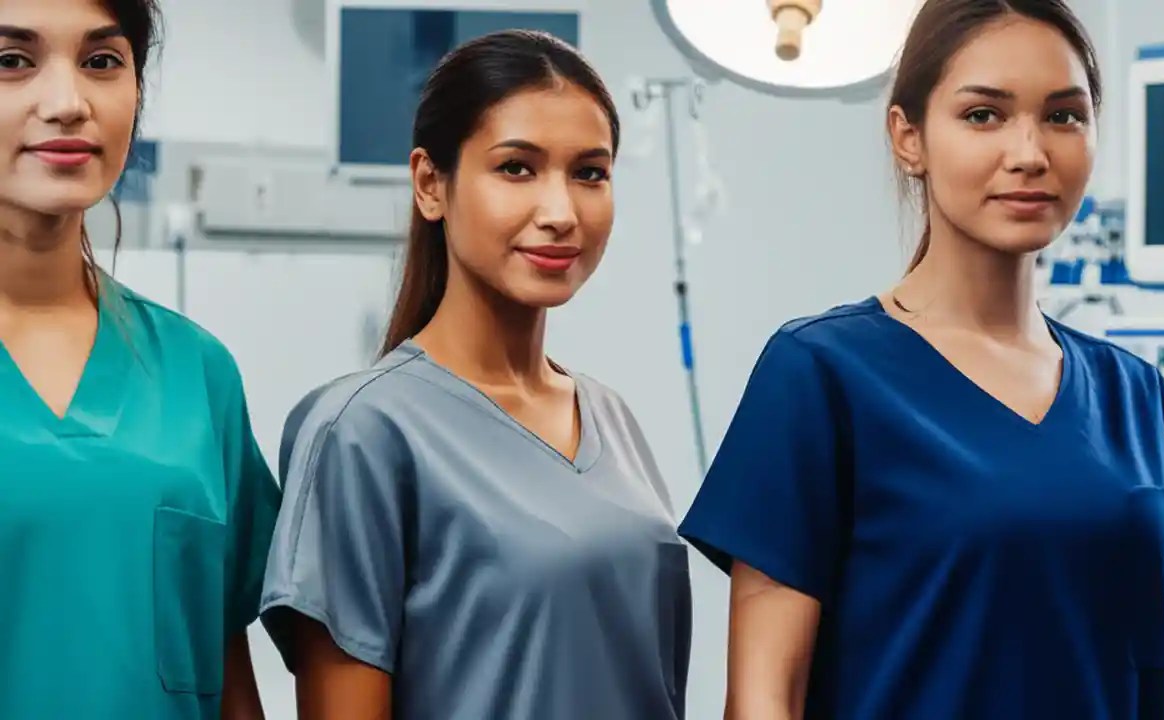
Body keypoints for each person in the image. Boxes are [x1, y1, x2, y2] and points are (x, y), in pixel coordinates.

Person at [678, 1, 1164, 718]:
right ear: (909, 137)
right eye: (983, 115)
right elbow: (763, 700)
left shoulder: (1135, 395)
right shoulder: (819, 375)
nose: (1029, 153)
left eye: (1063, 116)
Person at [259, 30, 692, 720]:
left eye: (590, 173)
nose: (561, 213)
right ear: (431, 183)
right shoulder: (363, 431)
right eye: (517, 168)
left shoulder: (610, 416)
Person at [0, 0, 282, 718]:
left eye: (102, 62)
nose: (67, 103)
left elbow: (224, 671)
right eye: (12, 61)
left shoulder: (197, 374)